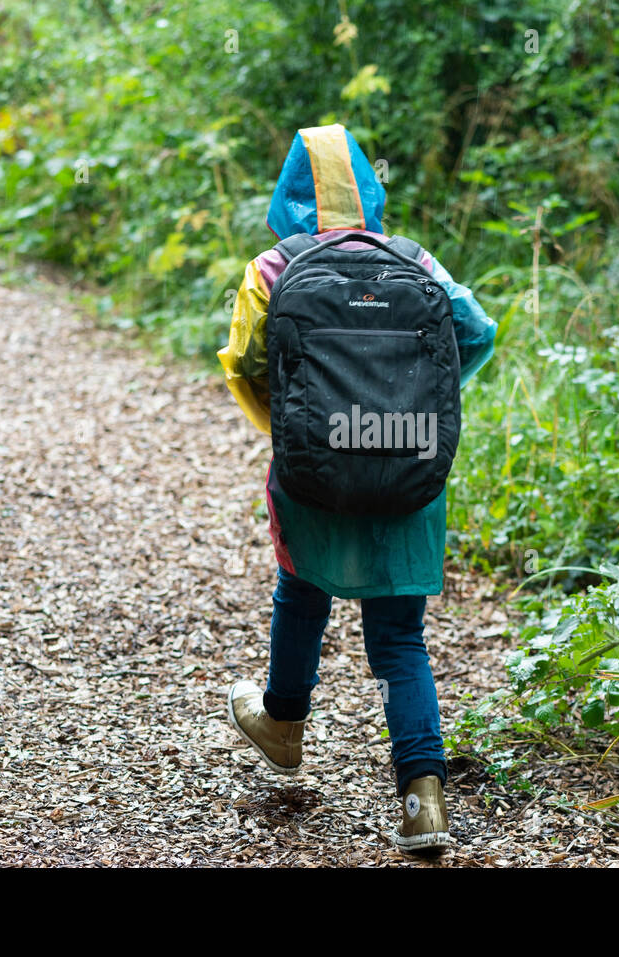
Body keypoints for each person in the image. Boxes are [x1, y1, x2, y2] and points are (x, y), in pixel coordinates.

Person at [217, 122, 497, 852]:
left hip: (314, 473)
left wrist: (292, 424)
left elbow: (245, 363)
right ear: (370, 190)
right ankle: (423, 805)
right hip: (409, 476)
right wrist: (414, 404)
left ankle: (282, 724)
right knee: (400, 638)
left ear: (288, 194)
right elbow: (479, 333)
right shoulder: (417, 261)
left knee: (301, 591)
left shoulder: (273, 269)